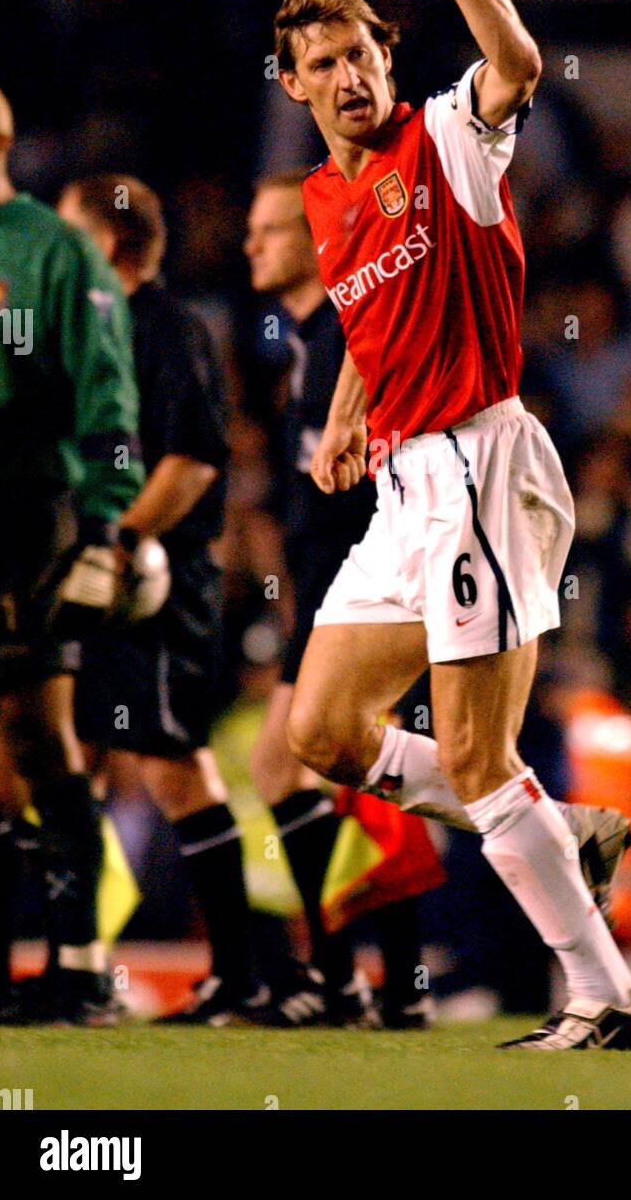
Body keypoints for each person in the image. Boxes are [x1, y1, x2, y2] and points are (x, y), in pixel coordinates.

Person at [268, 0, 631, 1050]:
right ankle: (552, 822)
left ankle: (606, 994)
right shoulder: (324, 200)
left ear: (387, 56)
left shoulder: (446, 136)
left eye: (360, 52)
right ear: (291, 84)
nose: (347, 74)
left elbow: (520, 61)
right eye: (321, 62)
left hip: (480, 459)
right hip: (400, 484)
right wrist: (344, 409)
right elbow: (371, 318)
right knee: (321, 730)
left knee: (480, 753)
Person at [56, 174, 270, 1025]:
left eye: (71, 238)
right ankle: (79, 969)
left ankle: (242, 975)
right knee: (74, 770)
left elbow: (194, 460)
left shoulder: (169, 330)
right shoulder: (91, 333)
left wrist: (120, 540)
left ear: (109, 245)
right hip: (90, 581)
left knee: (176, 769)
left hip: (154, 585)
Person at [246, 170, 445, 1027]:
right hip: (327, 595)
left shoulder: (341, 341)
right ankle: (374, 982)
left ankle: (367, 980)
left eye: (273, 230)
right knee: (342, 778)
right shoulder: (304, 345)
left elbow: (373, 489)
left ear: (315, 243)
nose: (254, 244)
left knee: (346, 773)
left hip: (361, 594)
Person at [0, 83, 145, 1024]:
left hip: (21, 518)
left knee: (42, 742)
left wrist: (101, 529)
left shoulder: (52, 248)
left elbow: (108, 400)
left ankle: (81, 966)